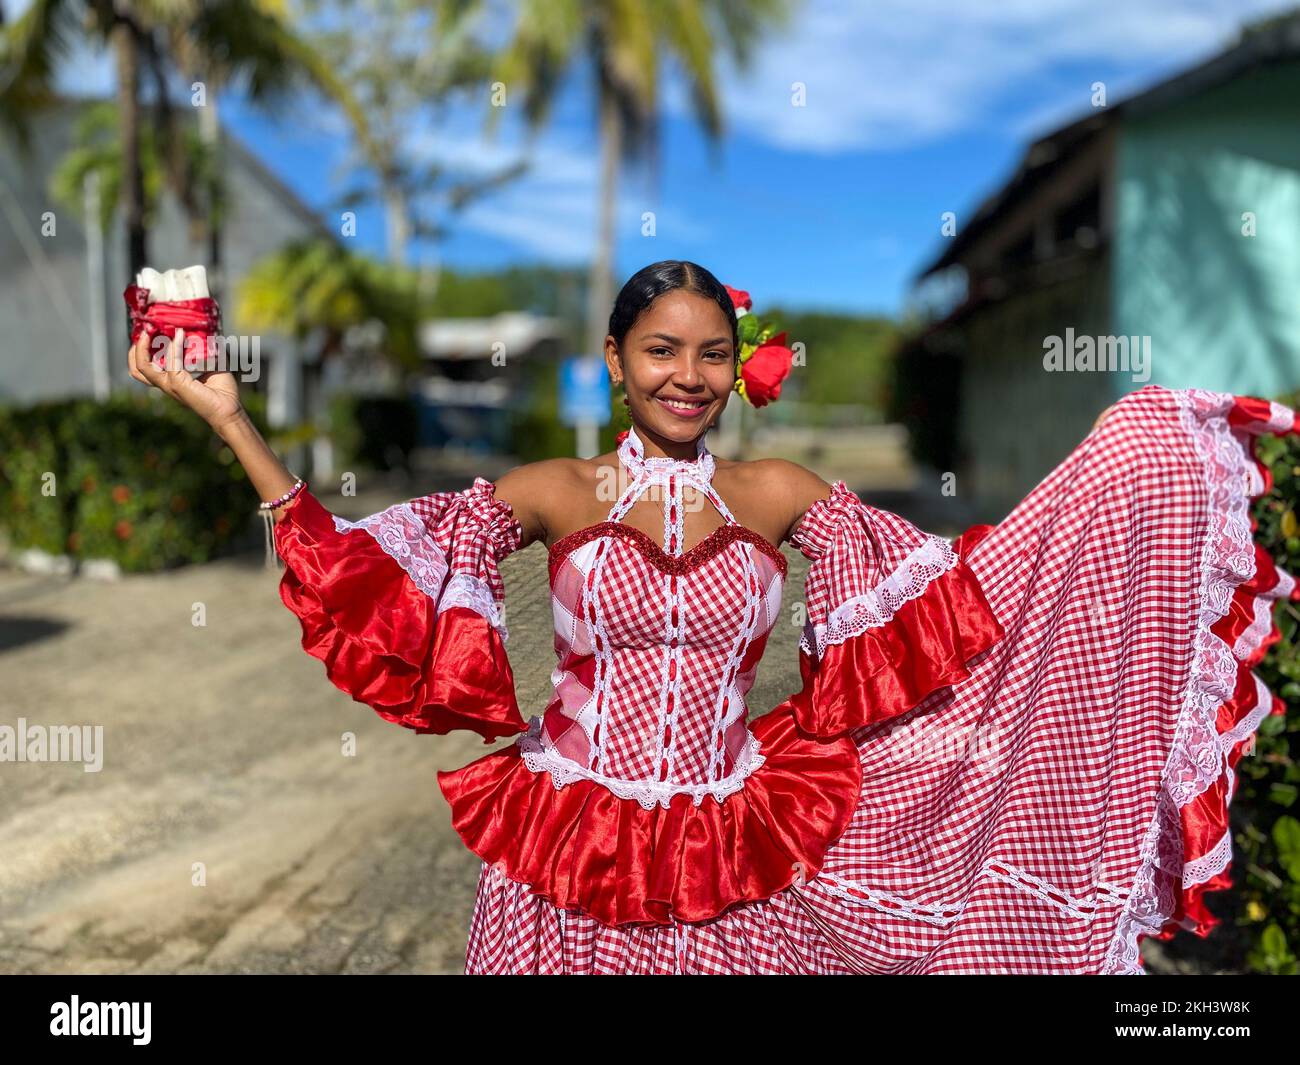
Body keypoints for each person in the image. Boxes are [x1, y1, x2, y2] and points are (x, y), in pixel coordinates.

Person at [127, 259, 1299, 975]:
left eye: (708, 356)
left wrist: (1140, 452)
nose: (685, 377)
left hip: (734, 849)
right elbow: (366, 574)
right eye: (659, 352)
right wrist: (231, 424)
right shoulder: (550, 491)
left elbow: (958, 602)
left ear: (739, 368)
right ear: (616, 360)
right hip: (566, 851)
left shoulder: (781, 495)